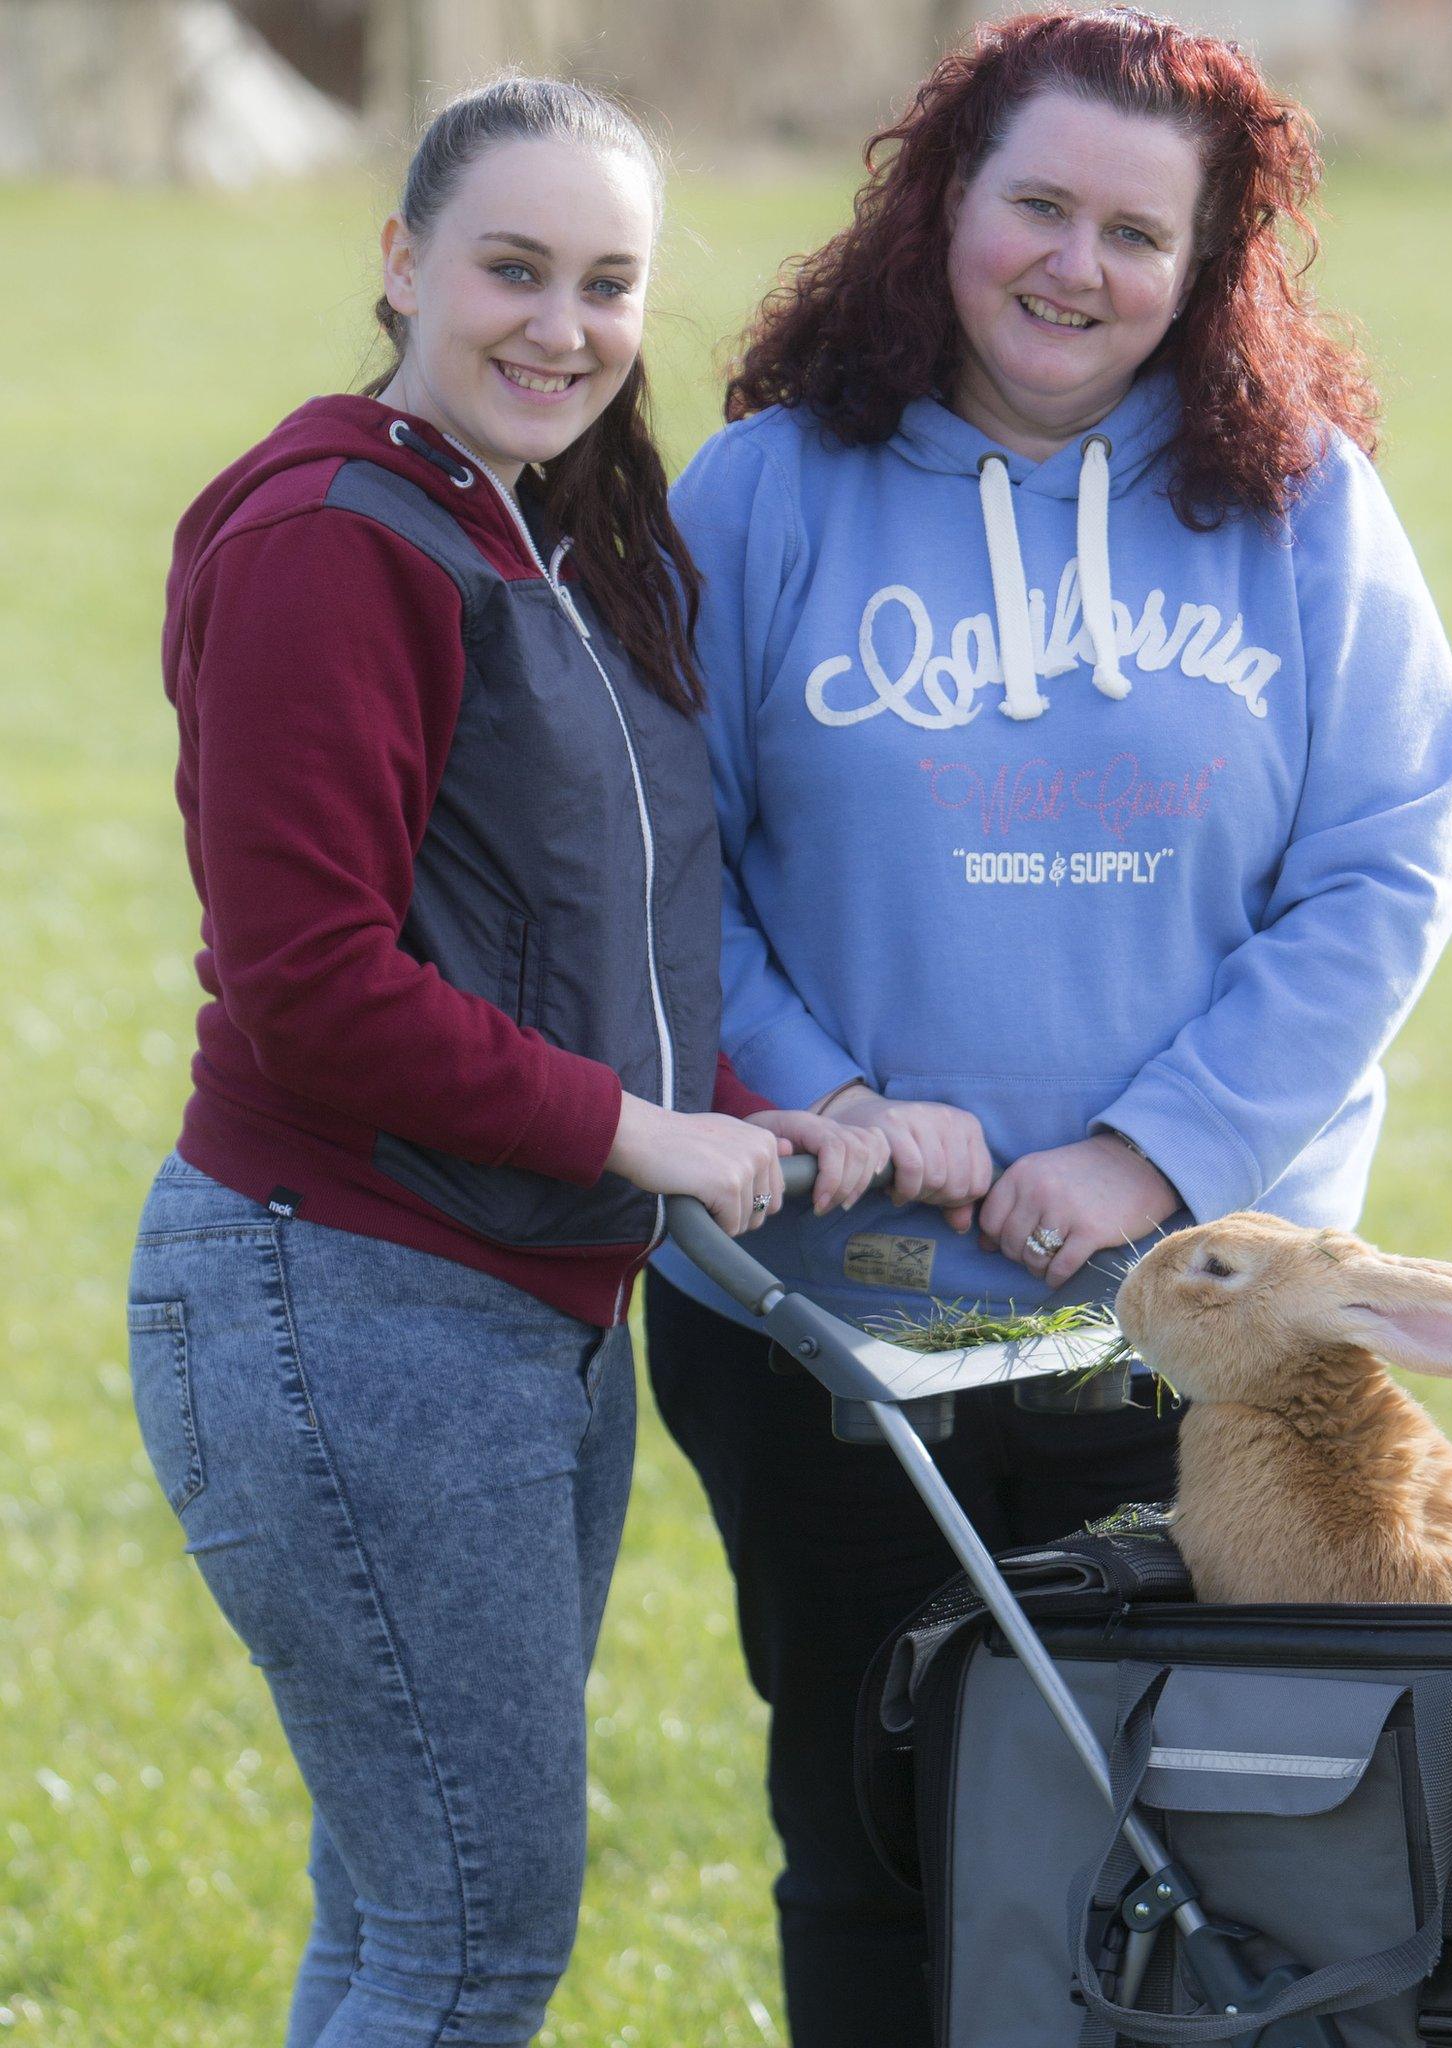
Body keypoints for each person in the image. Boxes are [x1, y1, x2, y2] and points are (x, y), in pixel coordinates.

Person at [642, 10, 1452, 2042]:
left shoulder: (1302, 506)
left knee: (1192, 1839)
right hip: (821, 1313)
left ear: (1205, 265)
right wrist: (830, 1099)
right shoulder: (762, 494)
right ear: (943, 201)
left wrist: (1150, 1153)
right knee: (874, 1828)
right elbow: (668, 864)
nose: (1072, 267)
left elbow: (1384, 866)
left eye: (1135, 232)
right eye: (1036, 205)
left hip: (1191, 1323)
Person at [126, 76, 887, 2046]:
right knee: (465, 1943)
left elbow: (573, 937)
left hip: (520, 1311)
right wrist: (645, 1136)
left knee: (404, 1926)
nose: (562, 326)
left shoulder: (544, 535)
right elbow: (312, 983)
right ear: (400, 263)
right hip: (353, 1300)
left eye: (607, 283)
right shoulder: (329, 539)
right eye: (512, 270)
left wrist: (764, 1113)